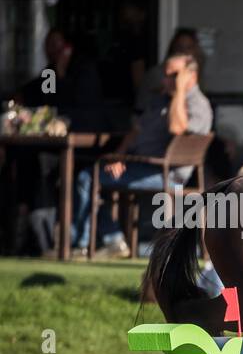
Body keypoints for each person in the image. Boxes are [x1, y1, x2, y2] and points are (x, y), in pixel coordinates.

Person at [70, 52, 212, 257]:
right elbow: (135, 131)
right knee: (96, 176)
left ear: (191, 76)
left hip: (166, 173)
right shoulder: (161, 99)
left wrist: (180, 90)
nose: (166, 80)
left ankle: (80, 246)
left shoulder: (197, 104)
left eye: (174, 75)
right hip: (140, 165)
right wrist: (119, 157)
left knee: (88, 179)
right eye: (166, 74)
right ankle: (113, 241)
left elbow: (177, 127)